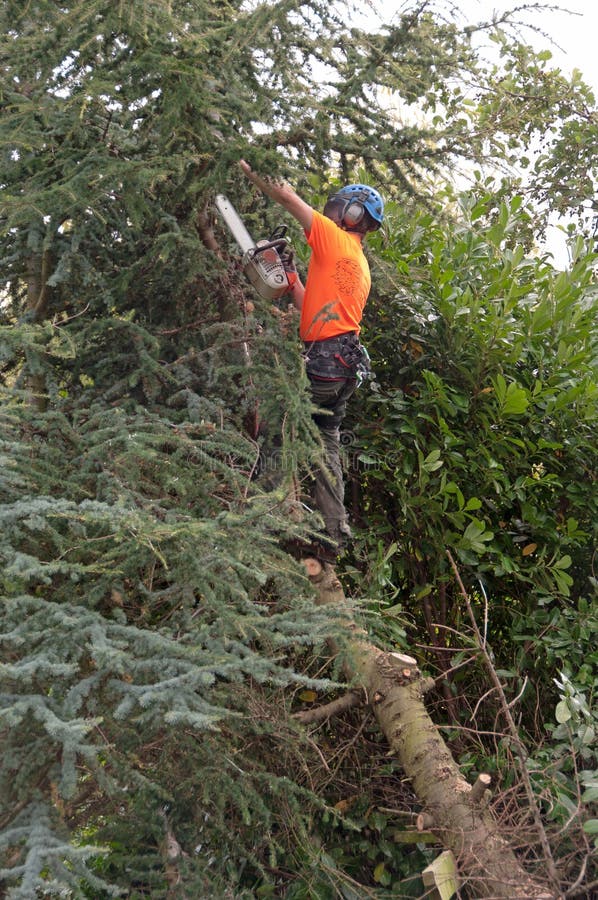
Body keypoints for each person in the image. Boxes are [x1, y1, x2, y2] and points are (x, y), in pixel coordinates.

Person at [239, 159, 384, 555]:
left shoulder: (333, 237)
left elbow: (284, 194)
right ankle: (336, 535)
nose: (331, 211)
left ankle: (261, 518)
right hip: (342, 368)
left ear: (350, 213)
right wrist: (296, 282)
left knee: (277, 427)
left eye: (338, 206)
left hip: (325, 361)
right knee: (326, 447)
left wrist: (245, 159)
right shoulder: (357, 262)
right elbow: (317, 315)